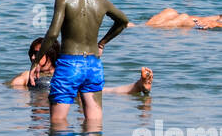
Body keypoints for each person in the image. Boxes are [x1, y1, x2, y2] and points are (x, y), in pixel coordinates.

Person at [32, 0, 131, 126]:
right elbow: (123, 21)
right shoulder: (102, 2)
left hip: (69, 66)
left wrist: (36, 62)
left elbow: (53, 33)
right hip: (93, 65)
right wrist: (102, 43)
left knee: (58, 124)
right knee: (94, 126)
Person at [13, 36, 153, 97]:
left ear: (50, 53)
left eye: (37, 53)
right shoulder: (27, 75)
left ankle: (139, 85)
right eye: (31, 53)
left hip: (67, 100)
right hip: (44, 104)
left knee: (103, 91)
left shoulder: (66, 73)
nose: (32, 57)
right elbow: (14, 88)